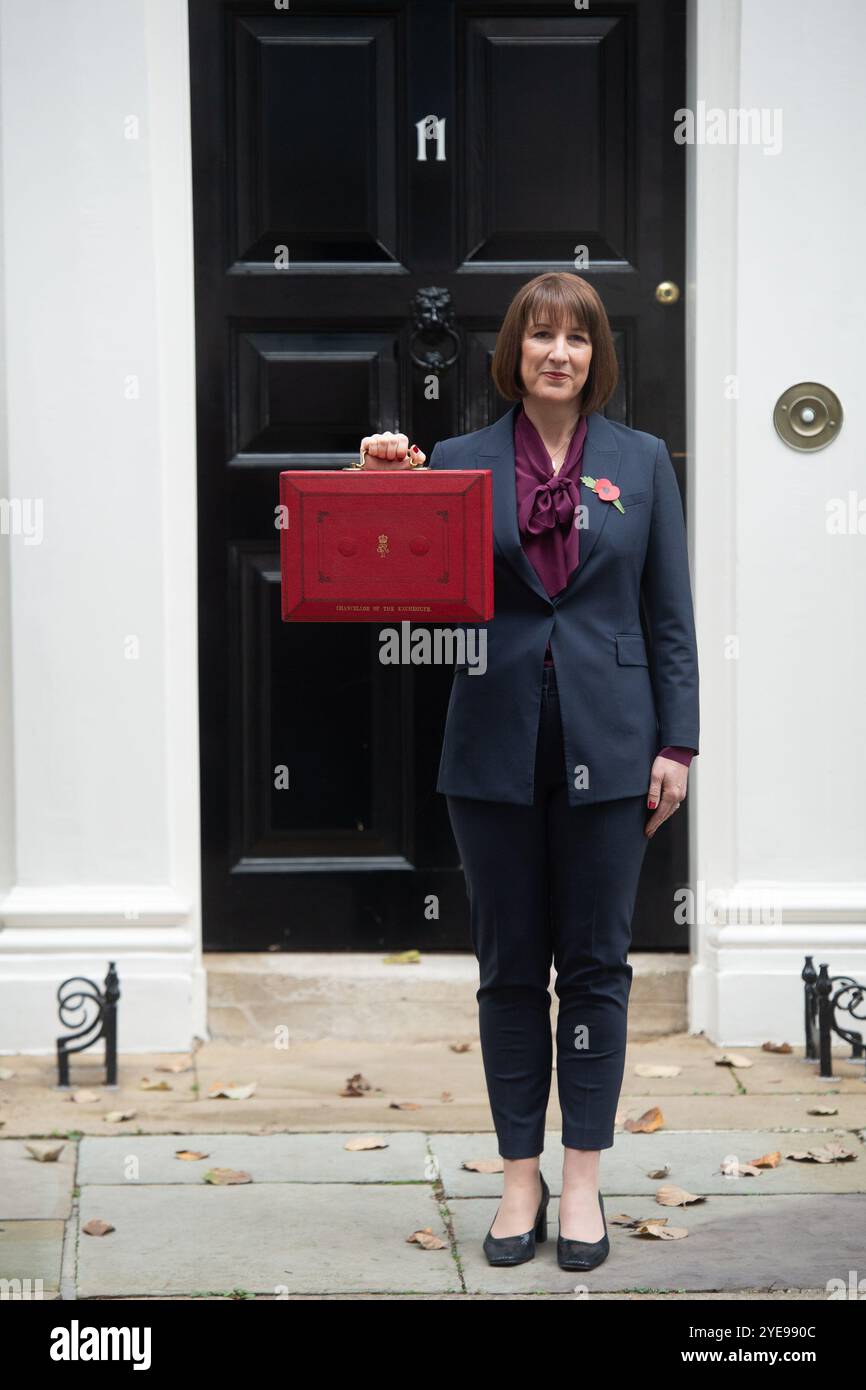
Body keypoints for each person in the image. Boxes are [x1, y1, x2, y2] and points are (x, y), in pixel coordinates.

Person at [359, 271, 699, 1270]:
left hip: (614, 743)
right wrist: (380, 481)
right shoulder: (457, 461)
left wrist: (674, 743)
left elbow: (667, 617)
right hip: (491, 750)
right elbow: (387, 579)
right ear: (511, 352)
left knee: (593, 968)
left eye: (577, 339)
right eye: (540, 336)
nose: (558, 353)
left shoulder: (640, 462)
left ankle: (584, 1176)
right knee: (508, 971)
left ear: (598, 357)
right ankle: (519, 1174)